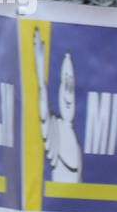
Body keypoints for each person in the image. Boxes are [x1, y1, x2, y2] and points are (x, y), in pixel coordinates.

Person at [32, 30, 82, 183]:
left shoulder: (68, 131)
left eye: (71, 84)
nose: (68, 92)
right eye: (65, 83)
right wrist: (40, 78)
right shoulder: (57, 130)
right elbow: (45, 121)